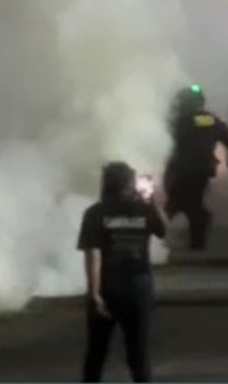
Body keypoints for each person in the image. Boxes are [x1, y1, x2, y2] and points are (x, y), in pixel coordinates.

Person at [77, 162, 167, 382]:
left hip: (108, 285)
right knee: (138, 354)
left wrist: (94, 293)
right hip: (139, 286)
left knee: (96, 353)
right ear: (129, 184)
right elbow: (163, 231)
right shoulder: (144, 209)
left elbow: (93, 255)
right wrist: (153, 202)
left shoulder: (95, 213)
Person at [164, 85, 228, 250]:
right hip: (201, 170)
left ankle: (171, 240)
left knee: (177, 204)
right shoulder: (210, 119)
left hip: (182, 169)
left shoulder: (180, 120)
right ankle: (195, 240)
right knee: (191, 203)